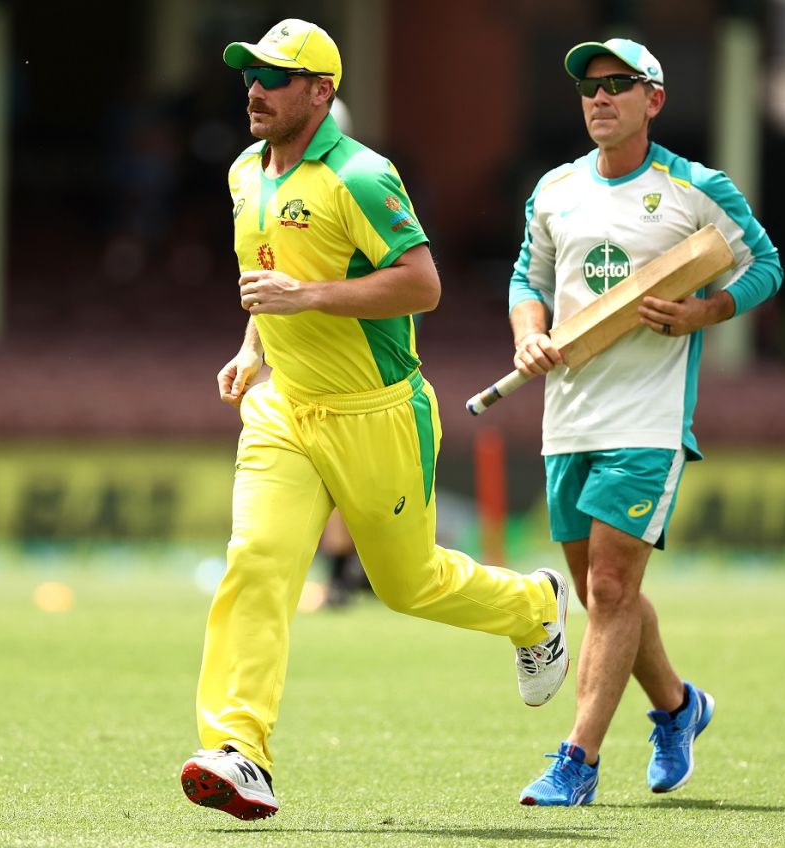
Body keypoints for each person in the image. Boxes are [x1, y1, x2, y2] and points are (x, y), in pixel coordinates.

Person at [178, 19, 570, 821]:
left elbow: (422, 283)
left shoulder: (361, 176)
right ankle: (238, 750)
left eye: (276, 77)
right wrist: (254, 346)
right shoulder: (244, 173)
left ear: (321, 92)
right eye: (250, 72)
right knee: (255, 561)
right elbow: (272, 276)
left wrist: (307, 300)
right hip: (282, 408)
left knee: (408, 584)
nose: (255, 87)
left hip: (376, 412)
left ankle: (534, 607)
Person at [506, 37, 783, 806]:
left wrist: (709, 308)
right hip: (569, 417)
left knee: (613, 582)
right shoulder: (555, 189)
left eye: (618, 85)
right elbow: (527, 278)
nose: (600, 98)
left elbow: (766, 264)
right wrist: (528, 333)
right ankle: (677, 707)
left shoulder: (696, 187)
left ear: (653, 100)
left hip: (649, 420)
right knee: (600, 596)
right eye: (590, 88)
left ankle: (577, 761)